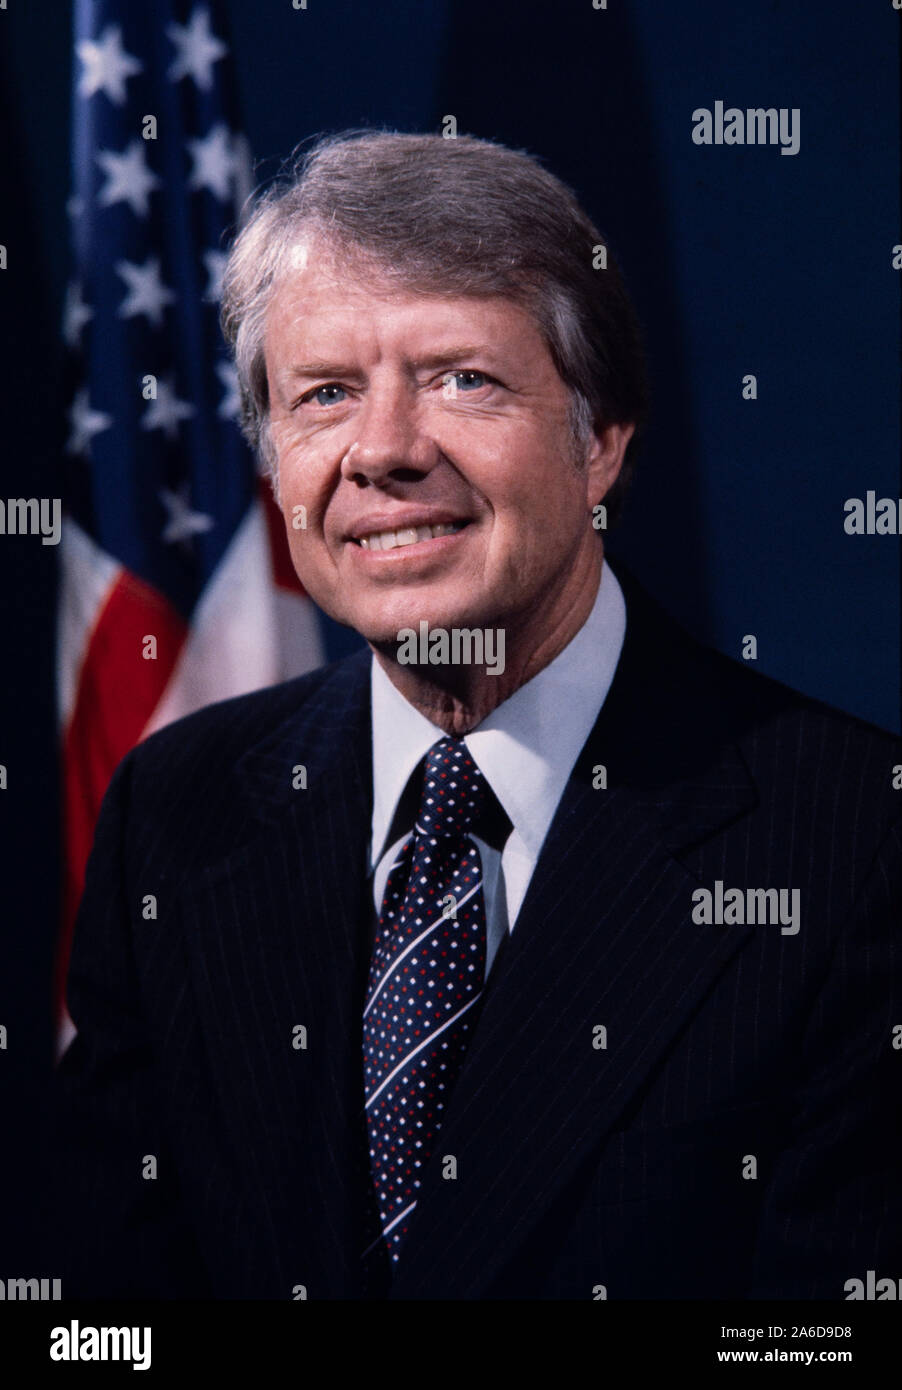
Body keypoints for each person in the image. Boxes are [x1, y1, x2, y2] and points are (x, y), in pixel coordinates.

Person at [53, 130, 902, 1300]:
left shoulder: (852, 839)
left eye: (463, 378)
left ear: (597, 440)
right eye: (326, 394)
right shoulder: (176, 809)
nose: (385, 451)